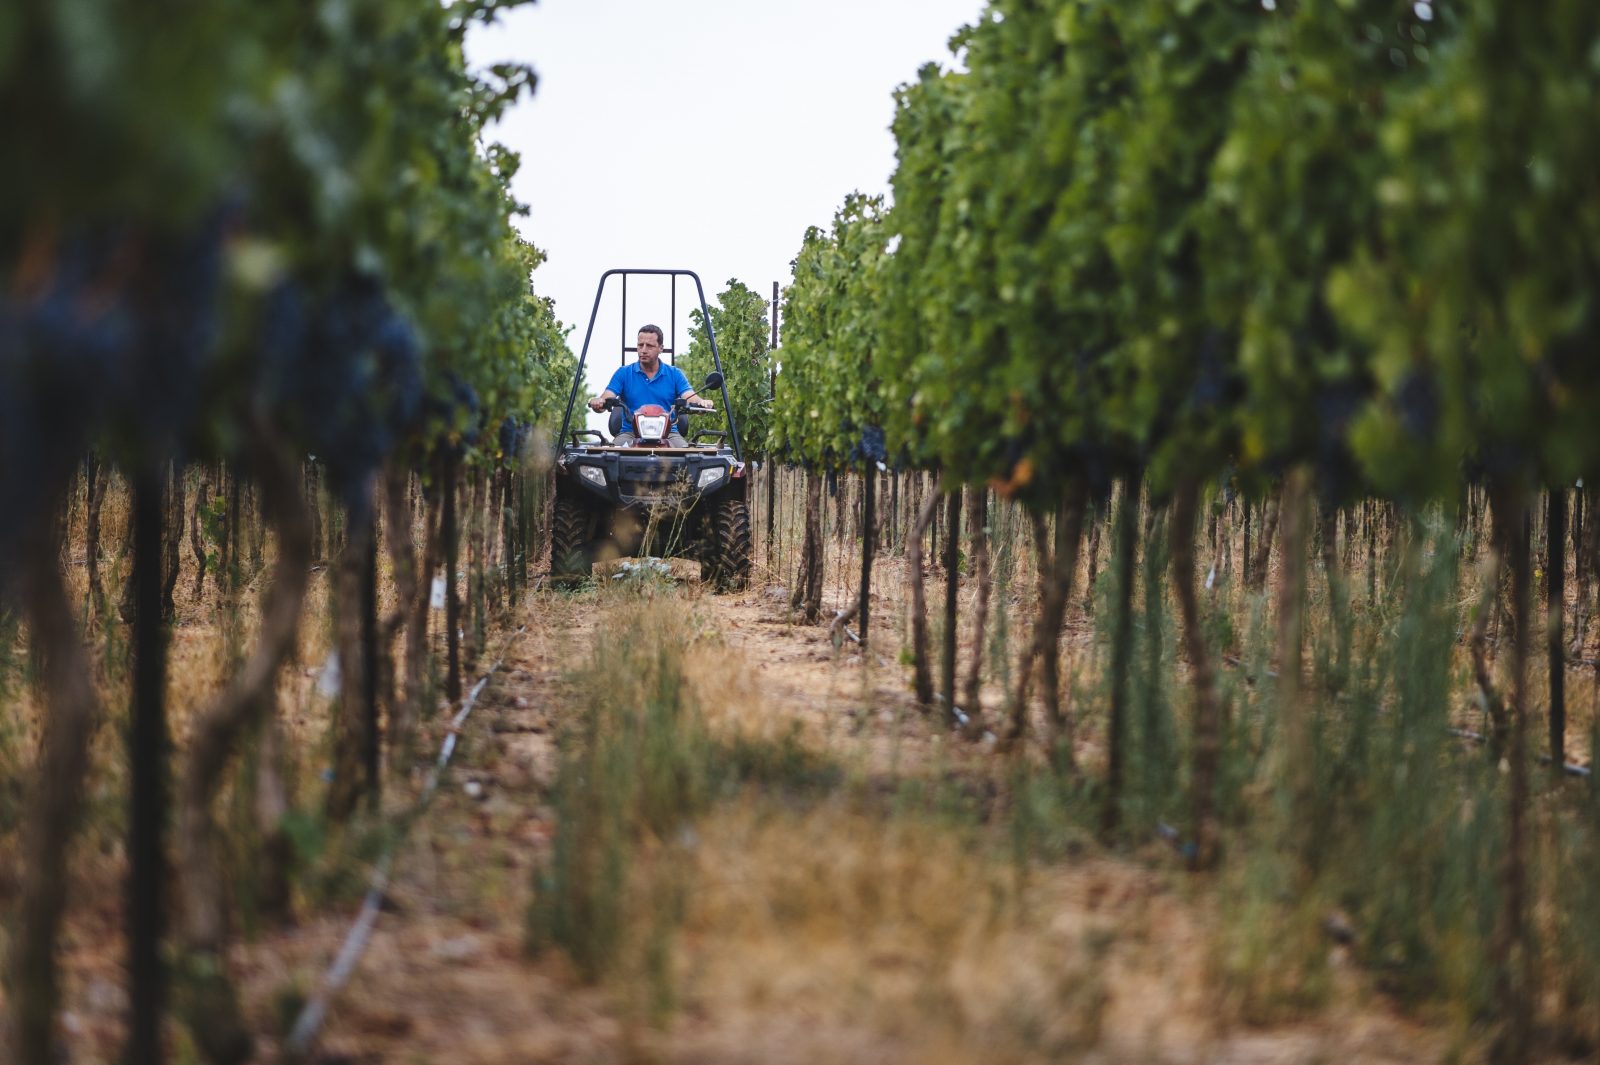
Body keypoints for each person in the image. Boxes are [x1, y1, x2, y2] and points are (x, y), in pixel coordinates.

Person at [589, 324, 714, 446]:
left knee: (688, 457)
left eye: (649, 346)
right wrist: (599, 402)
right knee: (611, 455)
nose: (643, 350)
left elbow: (689, 396)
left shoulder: (674, 374)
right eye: (640, 345)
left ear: (661, 348)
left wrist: (701, 403)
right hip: (631, 433)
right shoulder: (624, 373)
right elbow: (606, 397)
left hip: (668, 433)